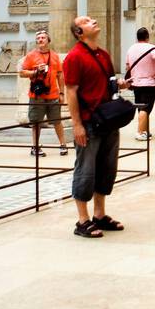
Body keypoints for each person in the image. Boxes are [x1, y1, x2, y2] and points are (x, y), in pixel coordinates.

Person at [63, 15, 126, 239]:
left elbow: (109, 81)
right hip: (88, 122)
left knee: (107, 168)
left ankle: (99, 214)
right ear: (79, 33)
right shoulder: (74, 57)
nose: (93, 21)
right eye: (87, 21)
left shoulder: (103, 54)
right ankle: (82, 220)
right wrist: (77, 125)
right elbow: (70, 92)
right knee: (85, 169)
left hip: (108, 119)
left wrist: (119, 84)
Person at [20, 29, 66, 157]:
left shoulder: (55, 56)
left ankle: (63, 144)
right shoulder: (31, 56)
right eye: (38, 38)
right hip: (37, 95)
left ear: (48, 40)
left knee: (57, 121)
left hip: (53, 94)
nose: (40, 40)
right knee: (36, 122)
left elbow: (60, 75)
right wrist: (35, 72)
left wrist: (62, 93)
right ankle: (35, 147)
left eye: (43, 38)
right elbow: (22, 73)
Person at [122, 27, 155, 145]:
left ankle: (145, 130)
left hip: (136, 83)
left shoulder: (131, 48)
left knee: (140, 106)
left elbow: (128, 66)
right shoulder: (152, 48)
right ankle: (140, 132)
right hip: (148, 82)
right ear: (147, 37)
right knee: (146, 108)